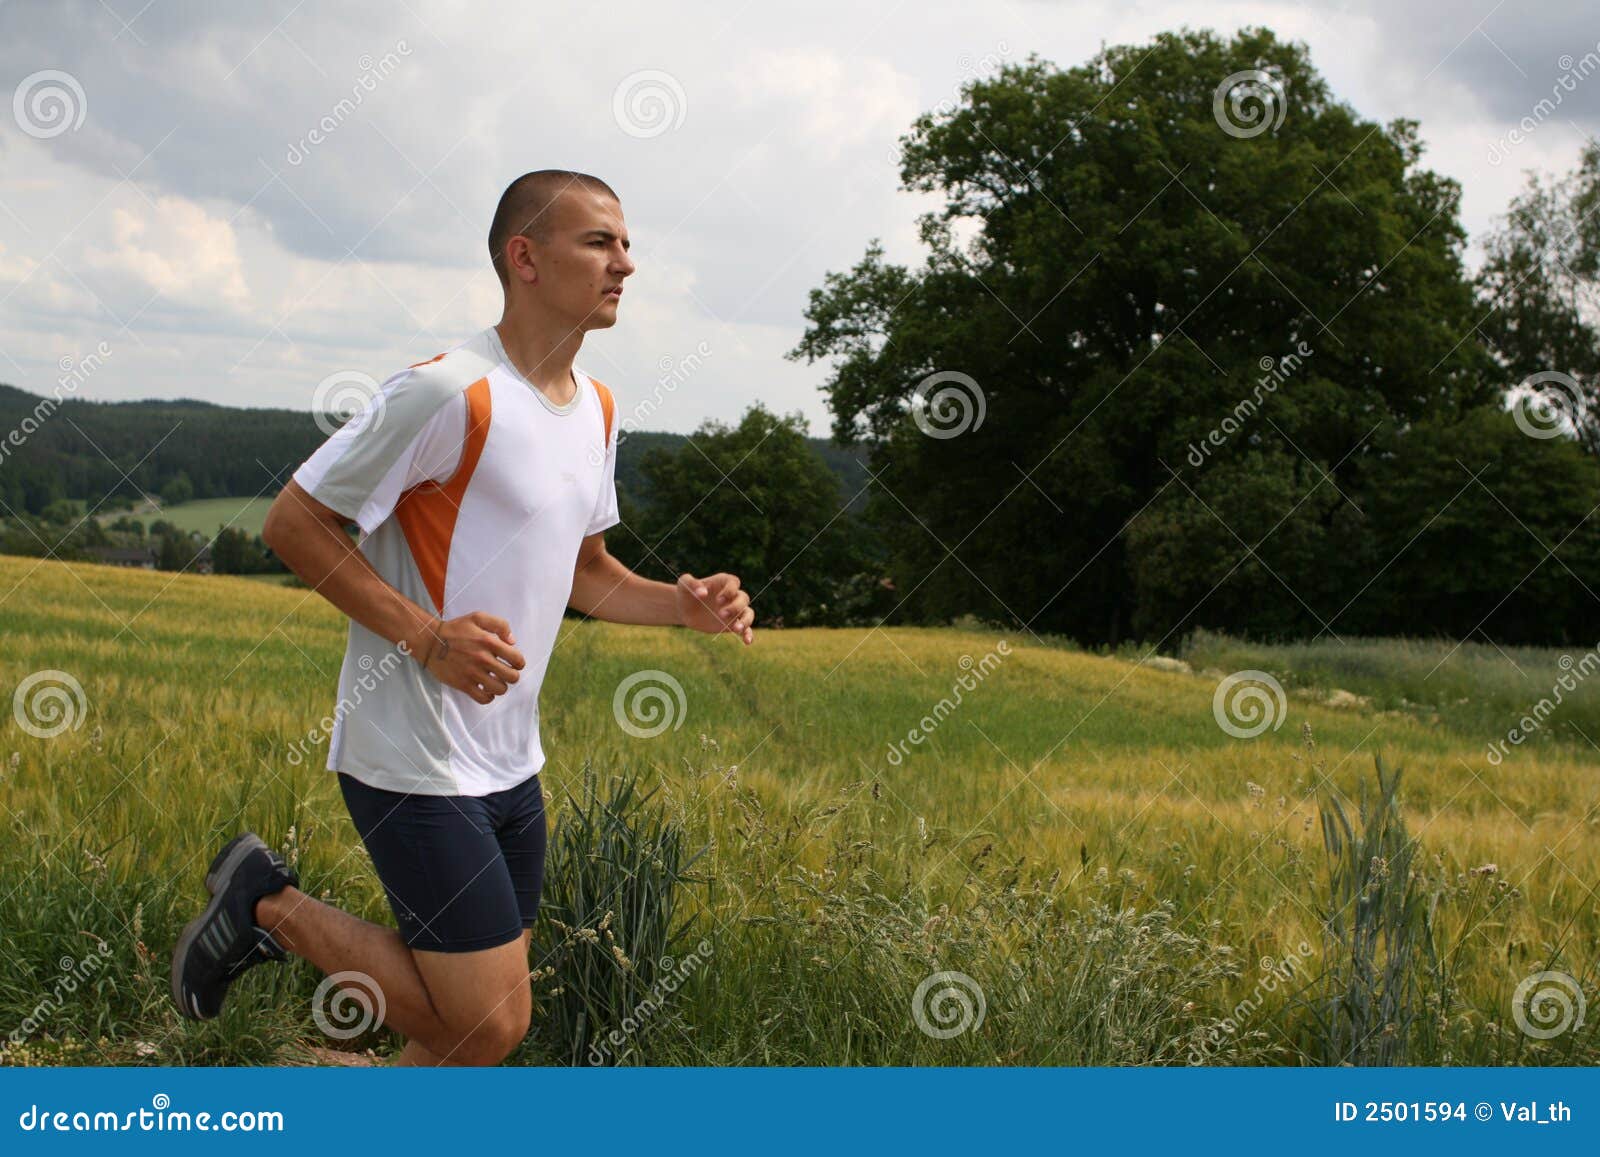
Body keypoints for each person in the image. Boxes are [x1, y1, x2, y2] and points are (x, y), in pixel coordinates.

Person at [169, 170, 756, 1066]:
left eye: (627, 243)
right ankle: (264, 904)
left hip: (511, 761)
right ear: (524, 256)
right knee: (490, 1019)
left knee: (461, 1038)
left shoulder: (594, 408)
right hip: (413, 754)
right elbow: (294, 523)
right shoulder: (450, 391)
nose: (626, 264)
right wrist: (428, 636)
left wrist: (684, 607)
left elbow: (588, 576)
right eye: (600, 242)